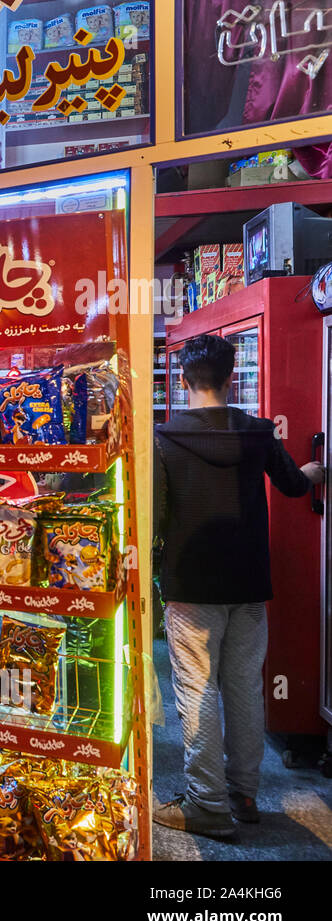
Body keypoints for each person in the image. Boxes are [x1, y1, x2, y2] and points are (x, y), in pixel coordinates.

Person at [153, 334, 324, 841]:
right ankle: (243, 794)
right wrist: (317, 470)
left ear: (184, 382)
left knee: (198, 690)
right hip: (250, 583)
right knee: (245, 689)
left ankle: (205, 803)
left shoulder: (165, 438)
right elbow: (295, 483)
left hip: (191, 587)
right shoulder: (258, 434)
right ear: (231, 380)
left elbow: (158, 516)